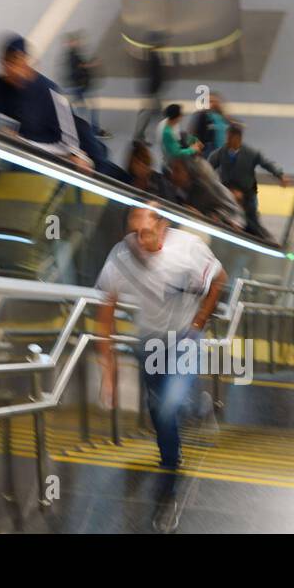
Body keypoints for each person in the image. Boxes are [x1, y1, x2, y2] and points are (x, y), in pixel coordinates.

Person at [95, 206, 226, 532]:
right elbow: (105, 309)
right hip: (149, 343)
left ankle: (170, 479)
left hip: (185, 338)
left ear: (163, 227)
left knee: (170, 404)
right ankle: (172, 454)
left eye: (147, 232)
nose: (140, 240)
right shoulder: (122, 256)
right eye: (135, 232)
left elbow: (219, 280)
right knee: (158, 409)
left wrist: (198, 322)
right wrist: (108, 367)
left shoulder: (189, 248)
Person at [0, 35, 93, 171]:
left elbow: (68, 146)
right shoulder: (0, 83)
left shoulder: (52, 93)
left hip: (44, 163)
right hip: (12, 158)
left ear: (27, 62)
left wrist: (23, 142)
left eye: (16, 64)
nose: (12, 71)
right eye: (7, 65)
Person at [208, 123, 290, 240]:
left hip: (247, 195)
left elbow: (266, 163)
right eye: (228, 137)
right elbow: (208, 166)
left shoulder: (251, 153)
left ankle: (264, 239)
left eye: (231, 137)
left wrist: (280, 175)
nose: (228, 140)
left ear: (238, 138)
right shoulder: (221, 153)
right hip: (229, 194)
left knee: (252, 222)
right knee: (228, 219)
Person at [167, 156, 246, 230]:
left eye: (177, 170)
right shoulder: (180, 190)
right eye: (172, 170)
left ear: (189, 172)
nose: (173, 174)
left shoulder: (207, 188)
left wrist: (203, 217)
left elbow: (230, 213)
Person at [63, 32, 108, 138]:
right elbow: (81, 66)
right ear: (70, 43)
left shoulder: (74, 53)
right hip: (78, 86)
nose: (77, 43)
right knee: (90, 107)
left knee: (82, 108)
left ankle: (82, 130)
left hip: (78, 86)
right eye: (74, 41)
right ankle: (92, 130)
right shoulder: (72, 55)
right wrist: (94, 64)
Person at [157, 103, 201, 171]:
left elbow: (180, 135)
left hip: (173, 150)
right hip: (171, 164)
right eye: (181, 114)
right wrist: (192, 149)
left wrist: (194, 140)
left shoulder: (169, 122)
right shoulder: (167, 133)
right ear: (177, 117)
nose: (182, 116)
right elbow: (176, 153)